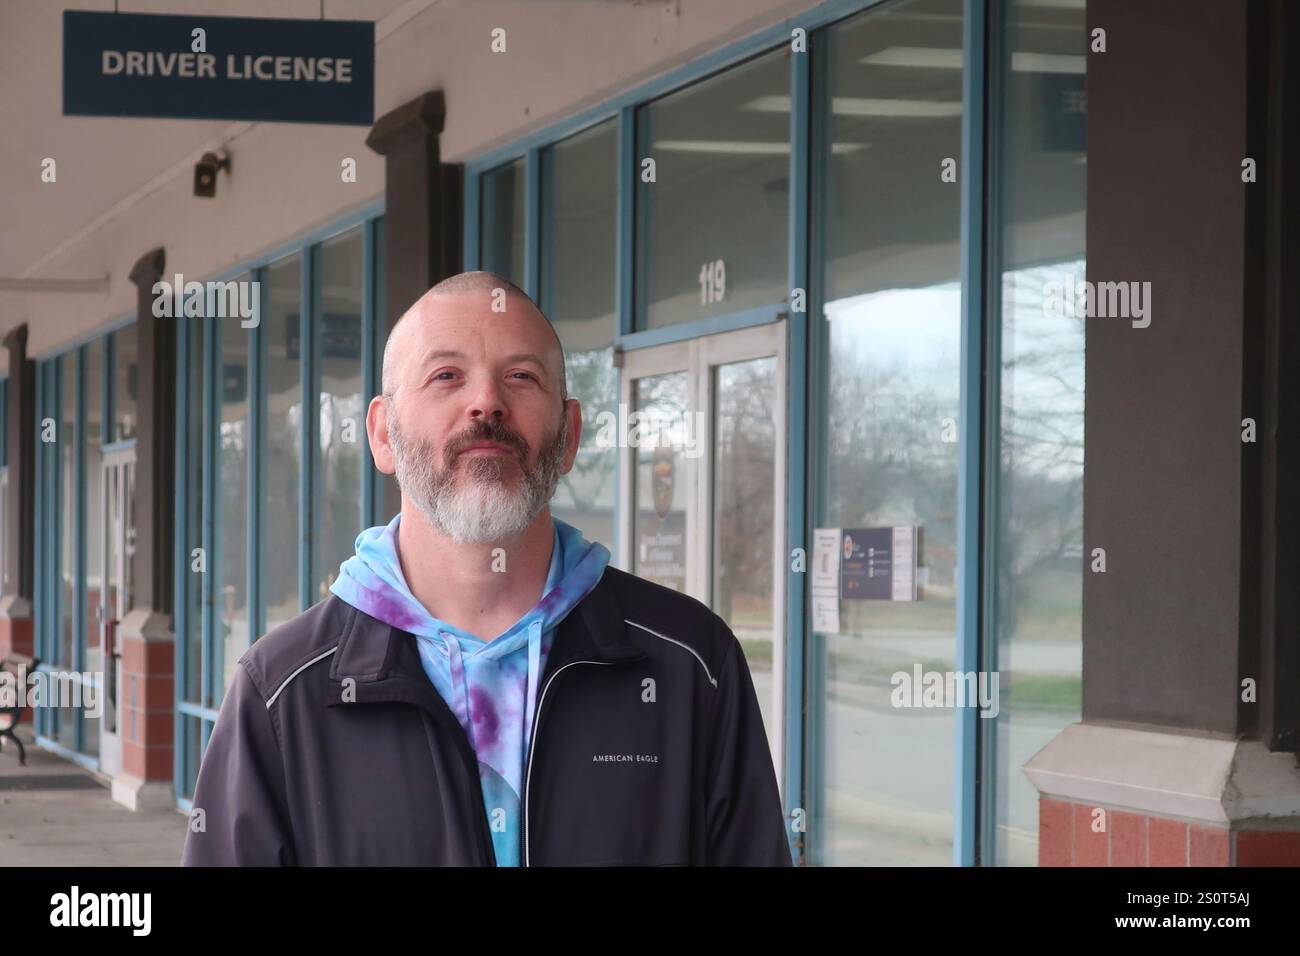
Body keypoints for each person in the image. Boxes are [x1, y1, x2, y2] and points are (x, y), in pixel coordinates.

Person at [181, 271, 791, 866]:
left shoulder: (690, 663)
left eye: (521, 377)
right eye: (446, 376)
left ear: (570, 433)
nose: (486, 403)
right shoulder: (283, 691)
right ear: (382, 434)